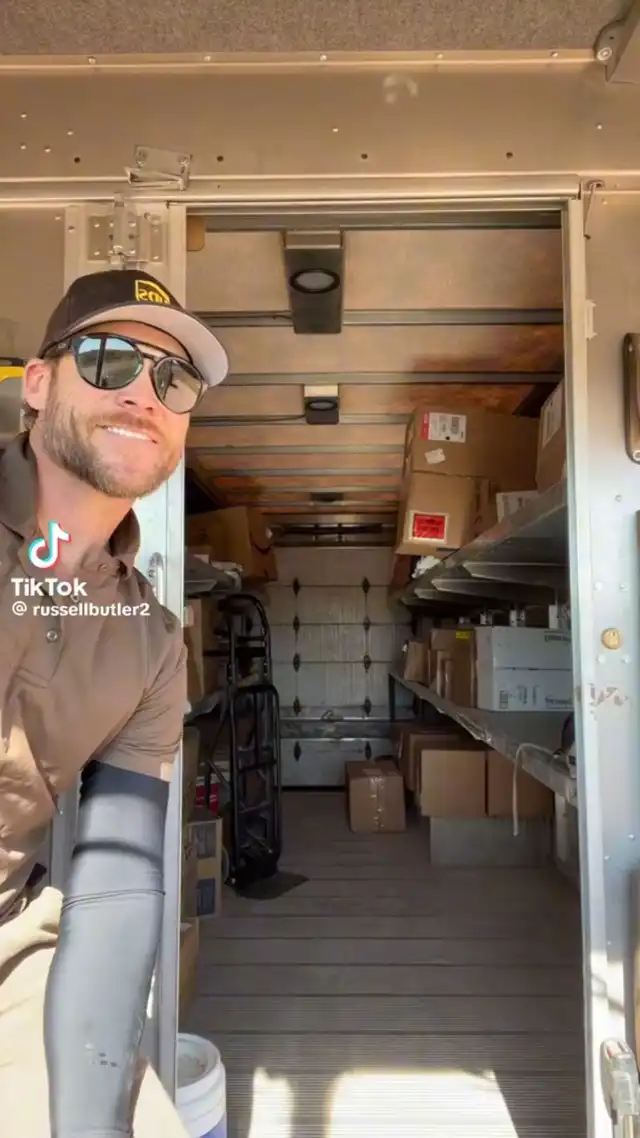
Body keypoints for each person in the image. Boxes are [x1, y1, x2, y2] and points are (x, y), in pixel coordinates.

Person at [0, 268, 228, 1138]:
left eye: (174, 379)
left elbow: (117, 888)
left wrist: (89, 1120)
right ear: (37, 383)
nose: (143, 393)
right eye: (108, 359)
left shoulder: (153, 647)